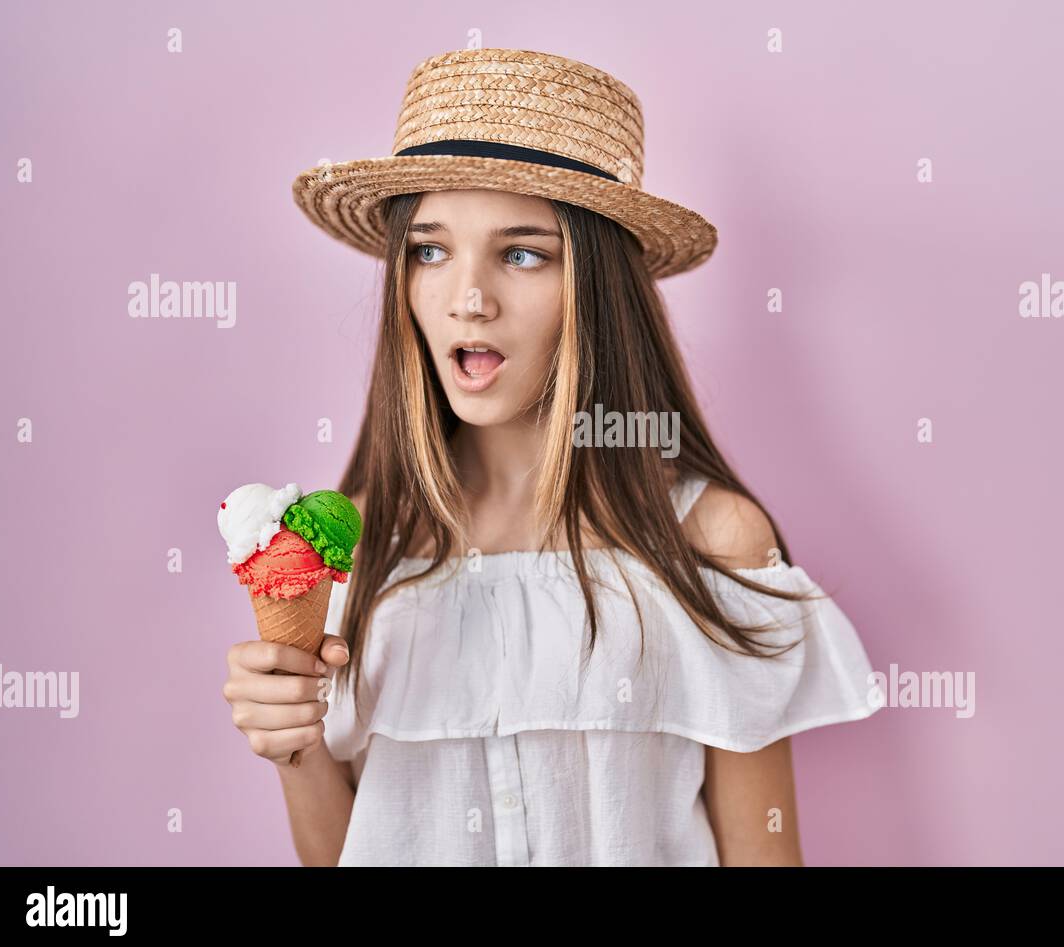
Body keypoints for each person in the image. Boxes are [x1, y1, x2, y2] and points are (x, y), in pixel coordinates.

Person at [222, 47, 879, 866]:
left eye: (522, 252)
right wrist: (297, 750)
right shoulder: (353, 543)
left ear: (597, 289)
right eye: (429, 250)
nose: (469, 297)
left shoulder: (711, 539)